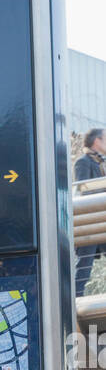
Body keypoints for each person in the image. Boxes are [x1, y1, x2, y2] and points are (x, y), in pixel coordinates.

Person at [74, 127, 106, 297]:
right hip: (88, 222)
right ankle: (75, 299)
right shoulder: (83, 162)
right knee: (84, 266)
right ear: (97, 141)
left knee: (85, 265)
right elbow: (84, 190)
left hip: (101, 222)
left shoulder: (100, 163)